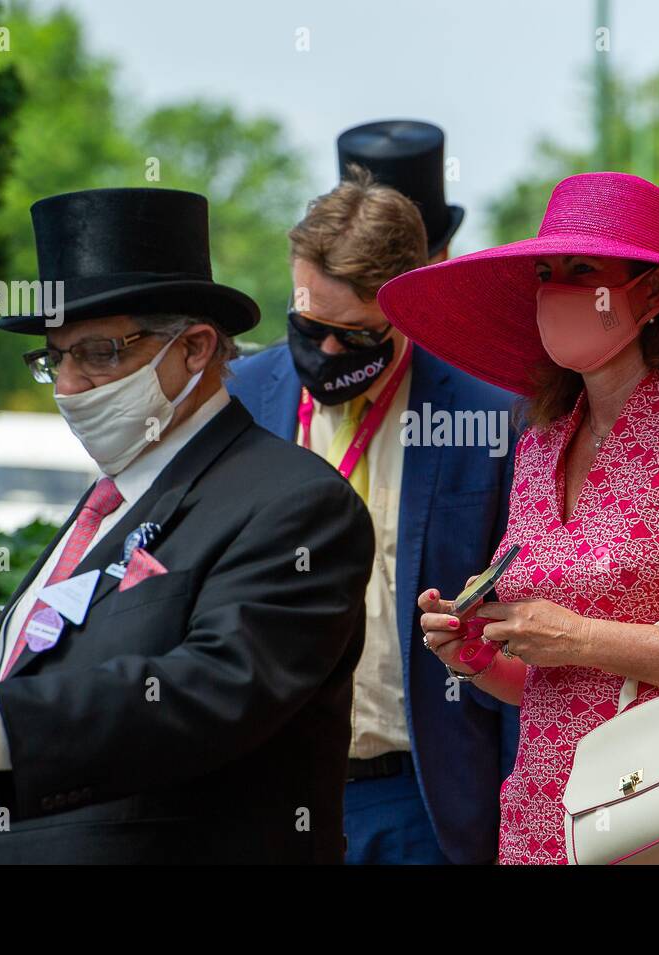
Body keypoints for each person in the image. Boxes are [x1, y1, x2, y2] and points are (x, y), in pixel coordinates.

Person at [0, 187, 375, 864]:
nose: (70, 386)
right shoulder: (115, 495)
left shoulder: (294, 503)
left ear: (196, 347)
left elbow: (211, 688)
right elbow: (85, 667)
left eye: (100, 352)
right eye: (54, 357)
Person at [380, 171, 659, 865]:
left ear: (653, 292)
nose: (557, 289)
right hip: (545, 822)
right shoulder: (538, 445)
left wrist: (583, 635)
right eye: (548, 272)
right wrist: (480, 652)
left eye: (584, 270)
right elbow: (556, 685)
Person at [227, 121, 519, 865]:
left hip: (419, 799)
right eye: (307, 324)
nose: (325, 352)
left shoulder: (489, 416)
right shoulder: (235, 398)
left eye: (354, 336)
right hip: (259, 790)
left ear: (409, 310)